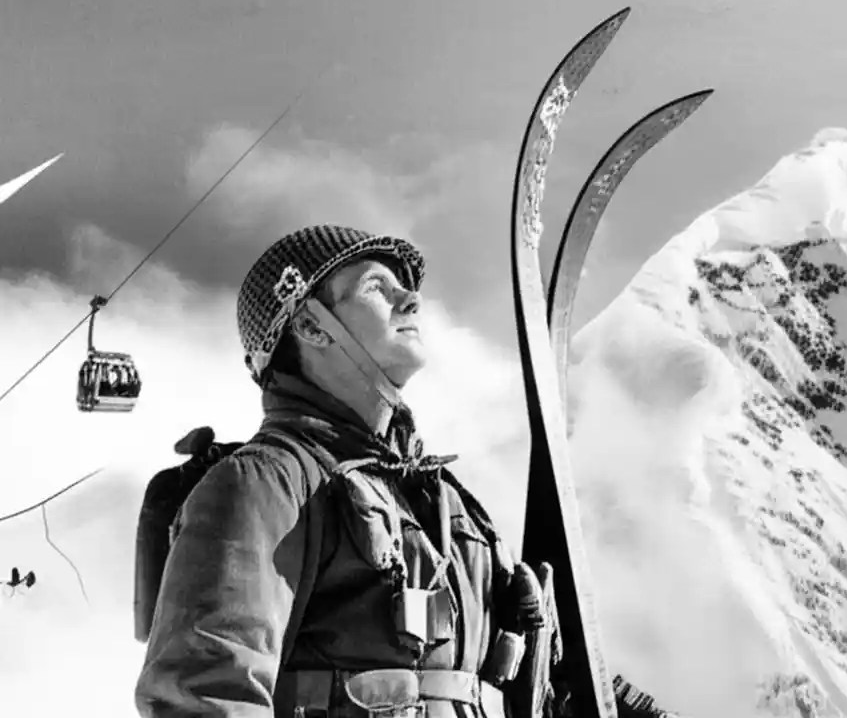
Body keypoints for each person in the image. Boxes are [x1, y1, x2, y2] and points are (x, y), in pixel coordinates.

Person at [135, 225, 678, 718]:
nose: (410, 297)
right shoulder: (267, 482)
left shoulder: (446, 505)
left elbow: (552, 686)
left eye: (404, 287)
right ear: (309, 325)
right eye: (377, 287)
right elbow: (205, 699)